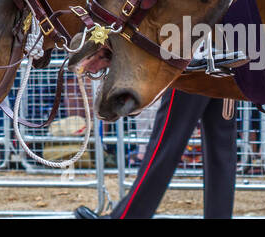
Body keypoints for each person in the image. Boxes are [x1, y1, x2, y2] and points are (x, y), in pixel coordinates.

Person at [76, 90, 236, 218]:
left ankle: (129, 216)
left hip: (195, 59)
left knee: (166, 142)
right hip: (225, 61)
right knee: (221, 147)